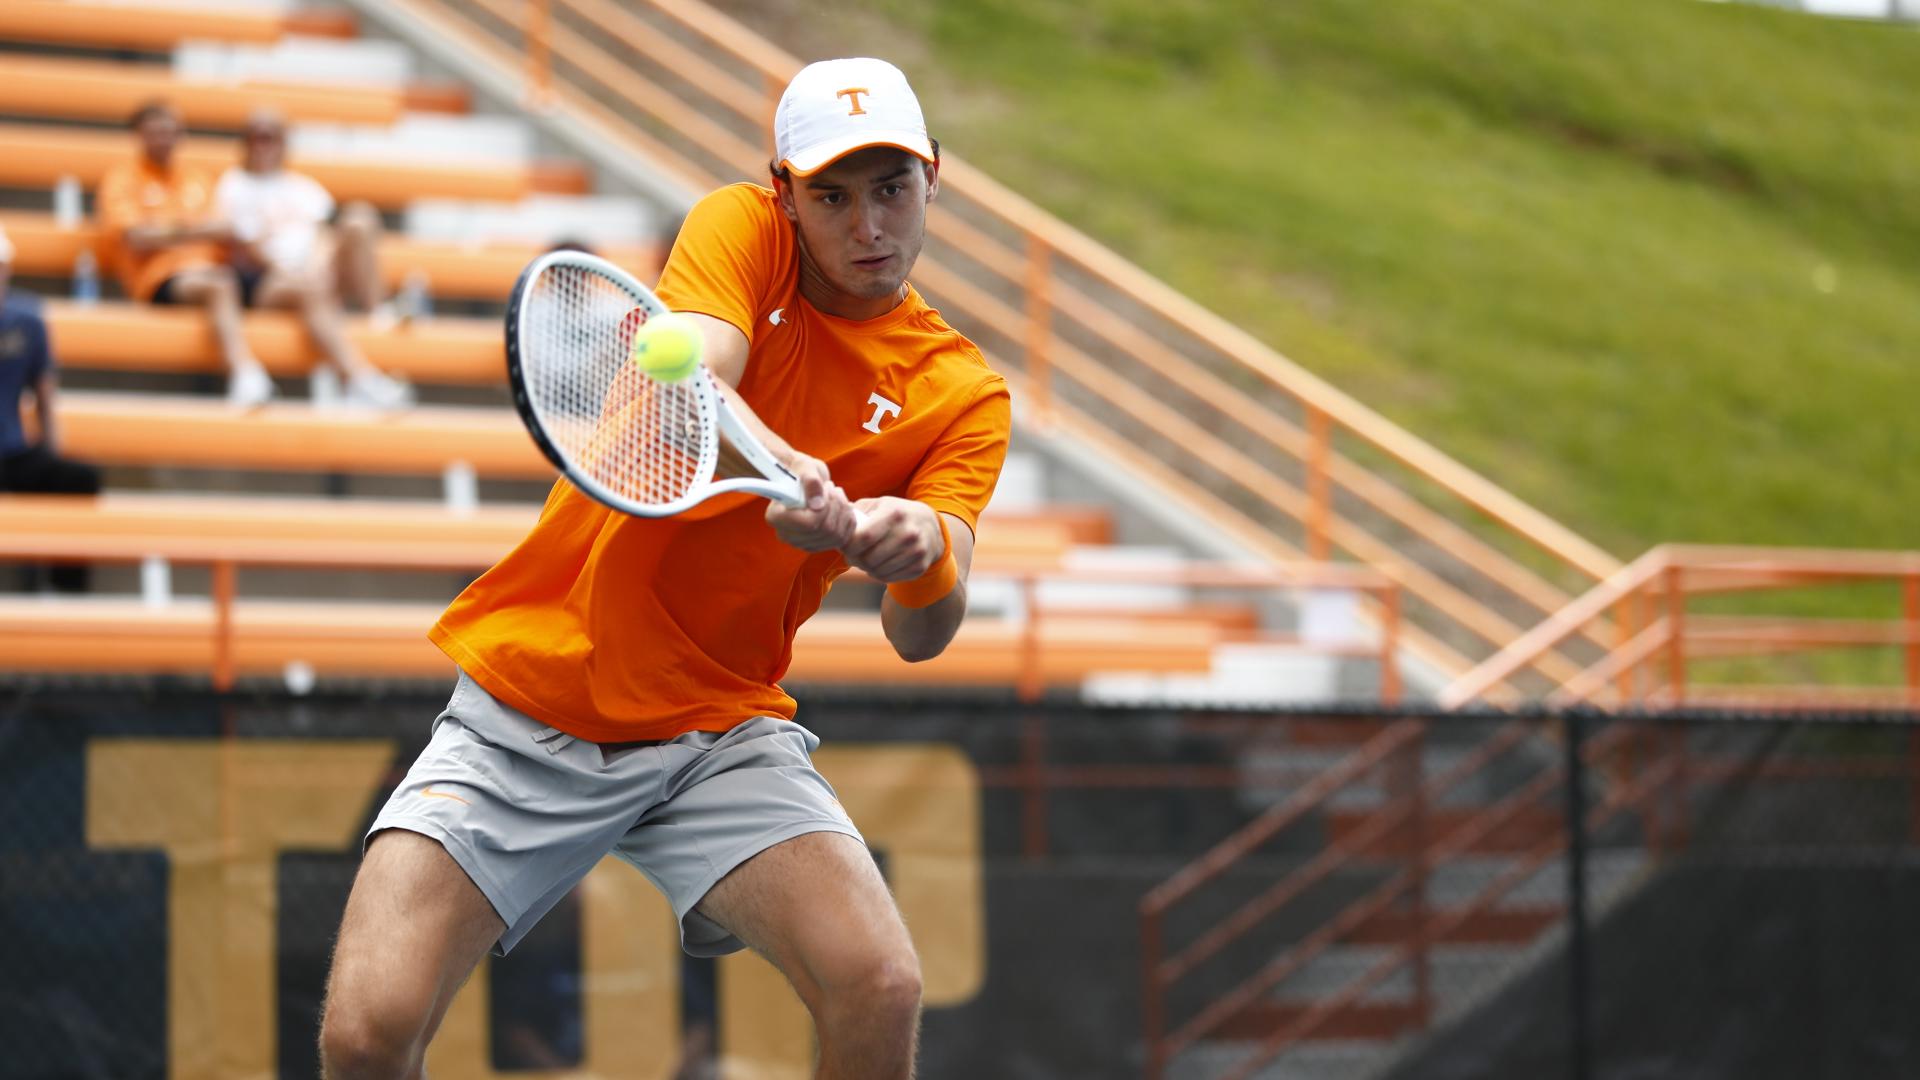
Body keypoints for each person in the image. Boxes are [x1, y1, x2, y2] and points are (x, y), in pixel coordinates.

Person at [317, 57, 1010, 1079]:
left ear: (933, 177)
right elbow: (696, 383)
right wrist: (788, 465)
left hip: (716, 730)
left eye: (892, 187)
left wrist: (922, 553)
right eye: (832, 196)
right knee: (365, 1033)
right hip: (540, 694)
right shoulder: (741, 229)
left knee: (880, 985)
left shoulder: (964, 395)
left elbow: (922, 633)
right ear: (785, 193)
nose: (869, 225)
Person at [215, 108, 412, 409]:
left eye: (271, 138)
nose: (264, 146)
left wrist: (316, 265)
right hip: (268, 279)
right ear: (245, 142)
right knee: (309, 289)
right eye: (258, 138)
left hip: (314, 270)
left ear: (284, 143)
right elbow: (243, 243)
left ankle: (378, 313)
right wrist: (290, 270)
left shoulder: (300, 185)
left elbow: (323, 231)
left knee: (359, 219)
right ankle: (359, 378)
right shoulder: (234, 185)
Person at [97, 100, 274, 408]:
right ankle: (244, 372)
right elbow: (136, 237)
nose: (163, 139)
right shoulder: (122, 179)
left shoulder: (198, 178)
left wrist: (173, 231)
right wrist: (194, 229)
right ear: (139, 134)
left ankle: (356, 376)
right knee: (218, 284)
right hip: (159, 277)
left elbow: (223, 229)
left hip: (212, 268)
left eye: (169, 132)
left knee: (293, 286)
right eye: (155, 132)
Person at [0, 224, 103, 592]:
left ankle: (67, 590)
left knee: (77, 478)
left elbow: (45, 396)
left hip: (11, 450)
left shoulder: (26, 322)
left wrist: (51, 454)